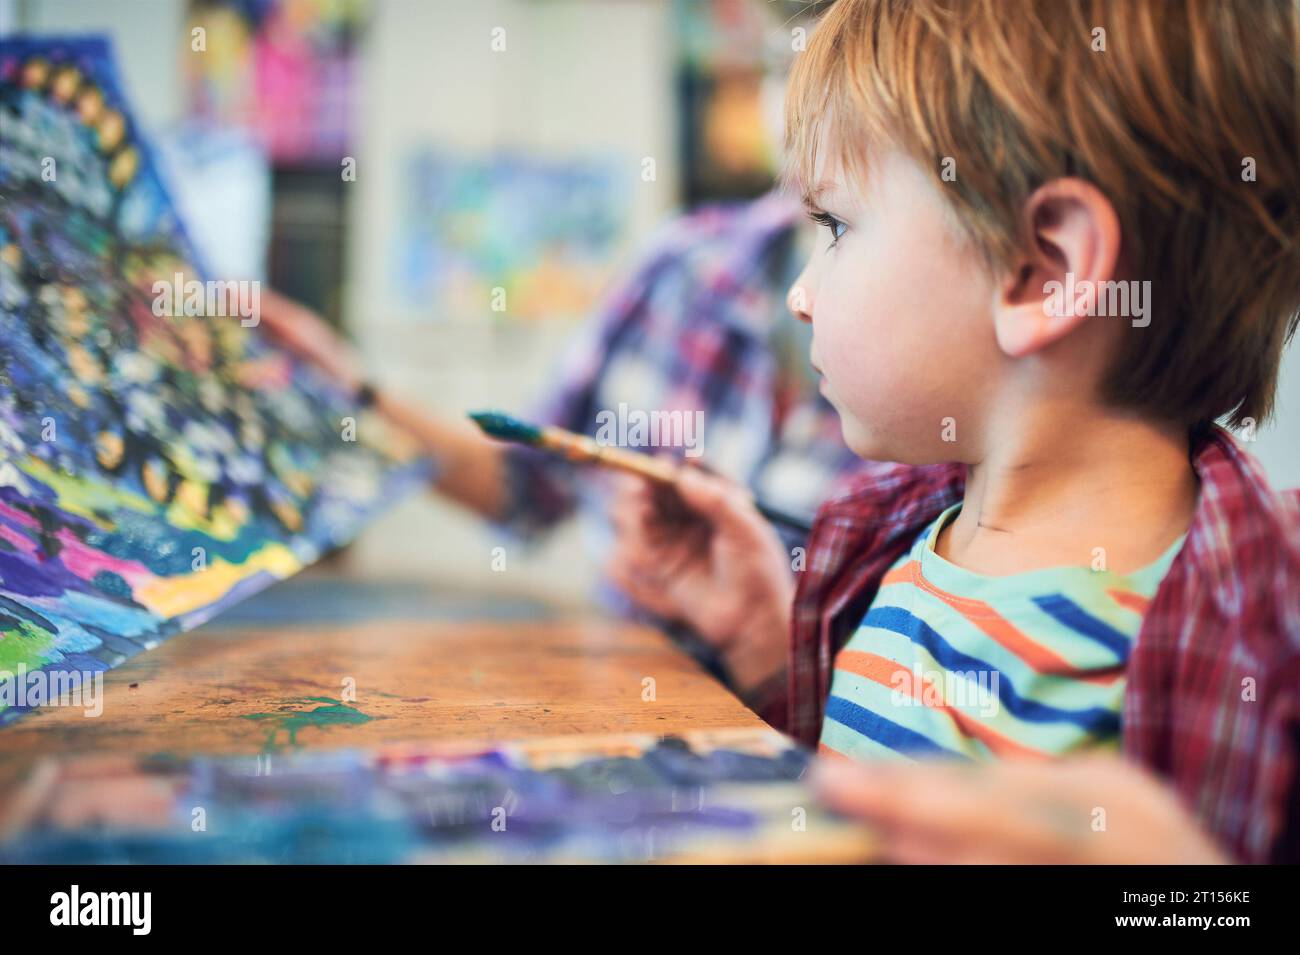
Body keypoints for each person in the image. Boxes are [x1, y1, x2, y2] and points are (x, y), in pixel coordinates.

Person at [606, 0, 1300, 863]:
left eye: (834, 226)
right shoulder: (895, 543)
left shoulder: (1256, 641)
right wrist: (763, 645)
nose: (800, 292)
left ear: (1042, 270)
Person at [259, 191, 864, 684]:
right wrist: (354, 391)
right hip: (616, 696)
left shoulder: (917, 389)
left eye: (839, 225)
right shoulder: (682, 264)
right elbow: (528, 482)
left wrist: (767, 650)